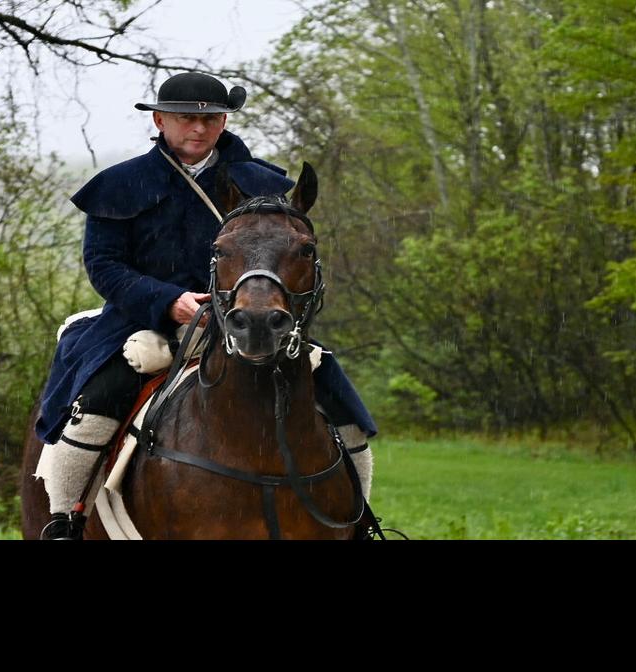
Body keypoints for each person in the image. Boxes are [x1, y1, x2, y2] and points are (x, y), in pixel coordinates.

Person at [34, 72, 378, 540]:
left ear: (223, 123)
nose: (198, 128)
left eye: (211, 118)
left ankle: (360, 522)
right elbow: (103, 265)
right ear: (159, 120)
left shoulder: (263, 183)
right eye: (185, 118)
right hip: (145, 320)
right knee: (99, 400)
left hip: (251, 318)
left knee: (341, 404)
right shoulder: (119, 184)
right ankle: (65, 519)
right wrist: (166, 300)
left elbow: (280, 253)